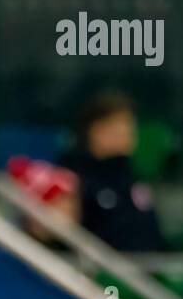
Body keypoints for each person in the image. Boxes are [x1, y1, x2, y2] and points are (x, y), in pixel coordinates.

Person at [58, 91, 165, 253]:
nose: (128, 134)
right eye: (120, 126)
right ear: (96, 131)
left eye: (130, 127)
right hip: (96, 274)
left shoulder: (133, 178)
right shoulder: (72, 179)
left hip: (146, 273)